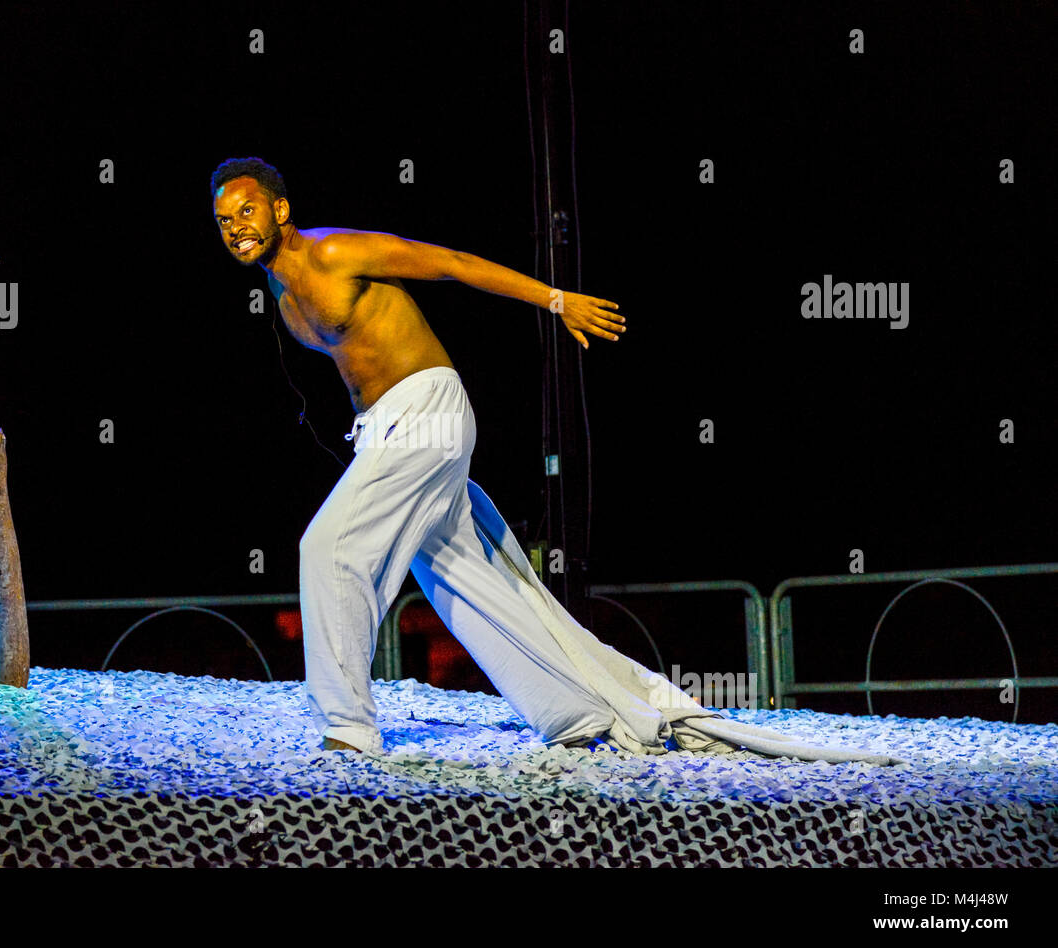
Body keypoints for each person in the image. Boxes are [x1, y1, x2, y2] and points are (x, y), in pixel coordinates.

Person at [210, 156, 905, 767]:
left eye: (246, 209)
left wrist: (555, 299)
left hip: (426, 414)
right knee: (461, 580)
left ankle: (347, 730)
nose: (235, 225)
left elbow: (451, 263)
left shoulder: (336, 252)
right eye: (222, 219)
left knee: (329, 545)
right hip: (392, 426)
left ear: (280, 209)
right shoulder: (278, 290)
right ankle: (576, 711)